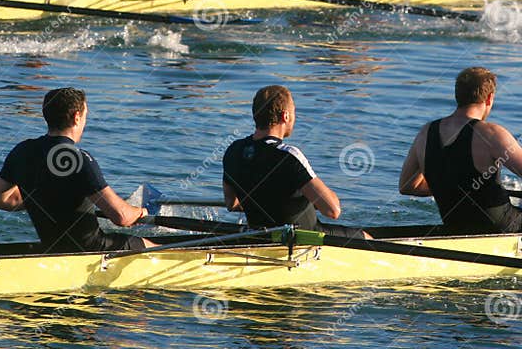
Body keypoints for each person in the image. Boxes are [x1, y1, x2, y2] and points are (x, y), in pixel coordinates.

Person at [0, 87, 155, 253]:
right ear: (76, 117)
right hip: (91, 251)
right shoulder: (79, 158)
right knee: (145, 245)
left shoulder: (22, 151)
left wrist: (45, 198)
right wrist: (141, 212)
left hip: (51, 247)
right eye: (85, 116)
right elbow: (122, 217)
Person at [223, 85, 370, 238]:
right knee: (365, 237)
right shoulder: (289, 155)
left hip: (259, 235)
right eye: (294, 112)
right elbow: (332, 210)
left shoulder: (233, 150)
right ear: (285, 116)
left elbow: (231, 204)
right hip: (303, 240)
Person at [399, 67, 522, 233]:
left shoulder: (426, 133)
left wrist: (450, 186)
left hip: (455, 227)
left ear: (458, 96)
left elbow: (407, 186)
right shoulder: (492, 134)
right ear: (489, 98)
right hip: (503, 228)